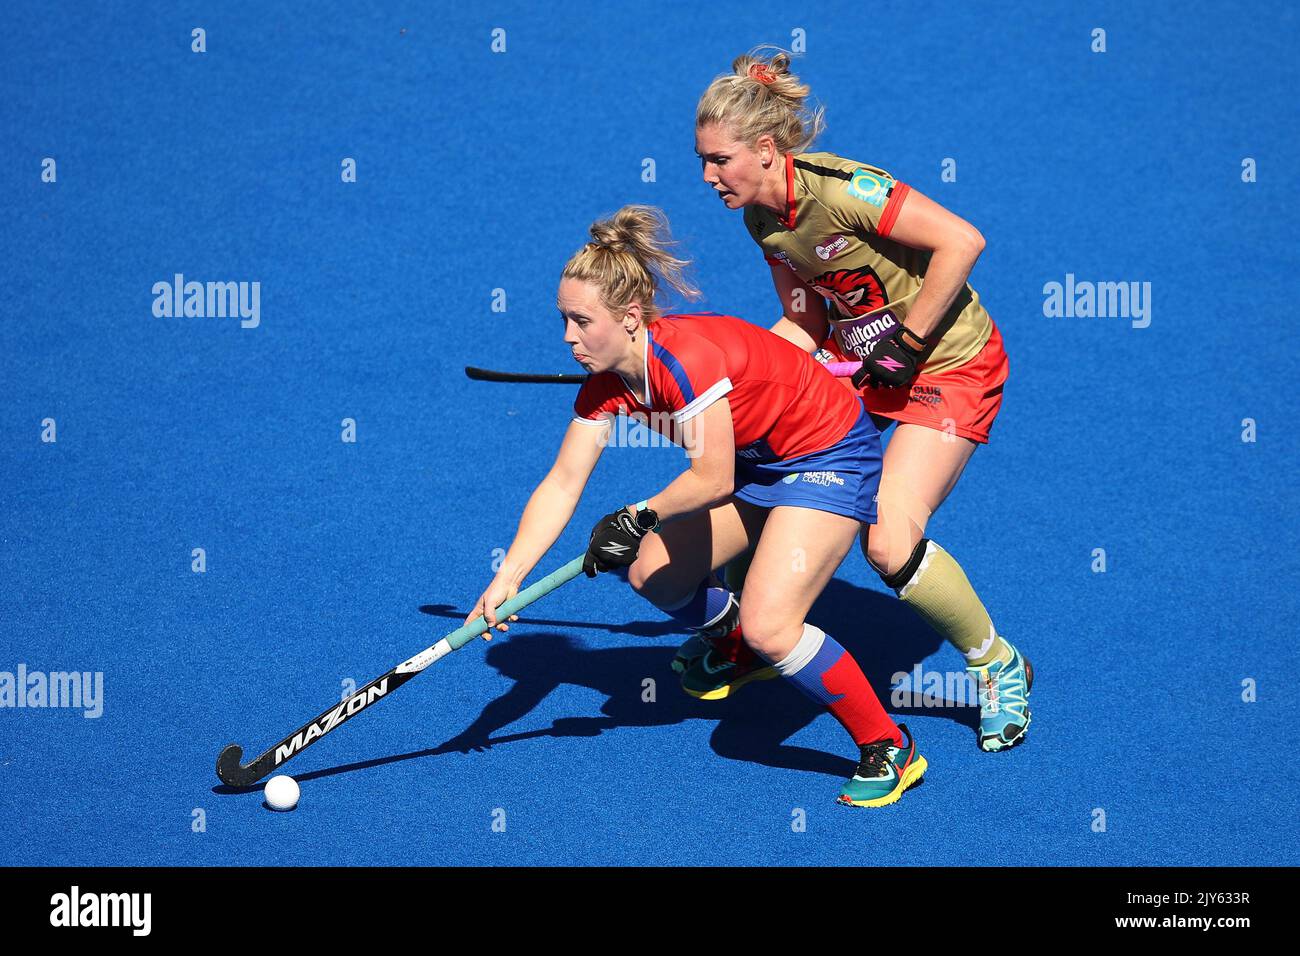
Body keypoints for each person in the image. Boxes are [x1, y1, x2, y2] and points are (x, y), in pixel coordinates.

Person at [464, 204, 926, 806]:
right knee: (652, 571)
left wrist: (636, 515)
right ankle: (733, 642)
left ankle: (890, 746)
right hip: (758, 461)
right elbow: (561, 483)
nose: (567, 338)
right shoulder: (606, 383)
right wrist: (508, 577)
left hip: (826, 454)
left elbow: (710, 477)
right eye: (563, 320)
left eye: (580, 321)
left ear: (630, 318)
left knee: (774, 626)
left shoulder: (685, 363)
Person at [685, 48, 1032, 752]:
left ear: (765, 148)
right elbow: (809, 321)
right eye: (702, 159)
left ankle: (996, 664)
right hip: (872, 365)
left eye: (719, 160)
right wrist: (733, 370)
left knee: (888, 539)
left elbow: (962, 241)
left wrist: (907, 339)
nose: (707, 176)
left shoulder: (842, 189)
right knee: (756, 474)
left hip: (949, 365)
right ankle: (755, 634)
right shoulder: (761, 217)